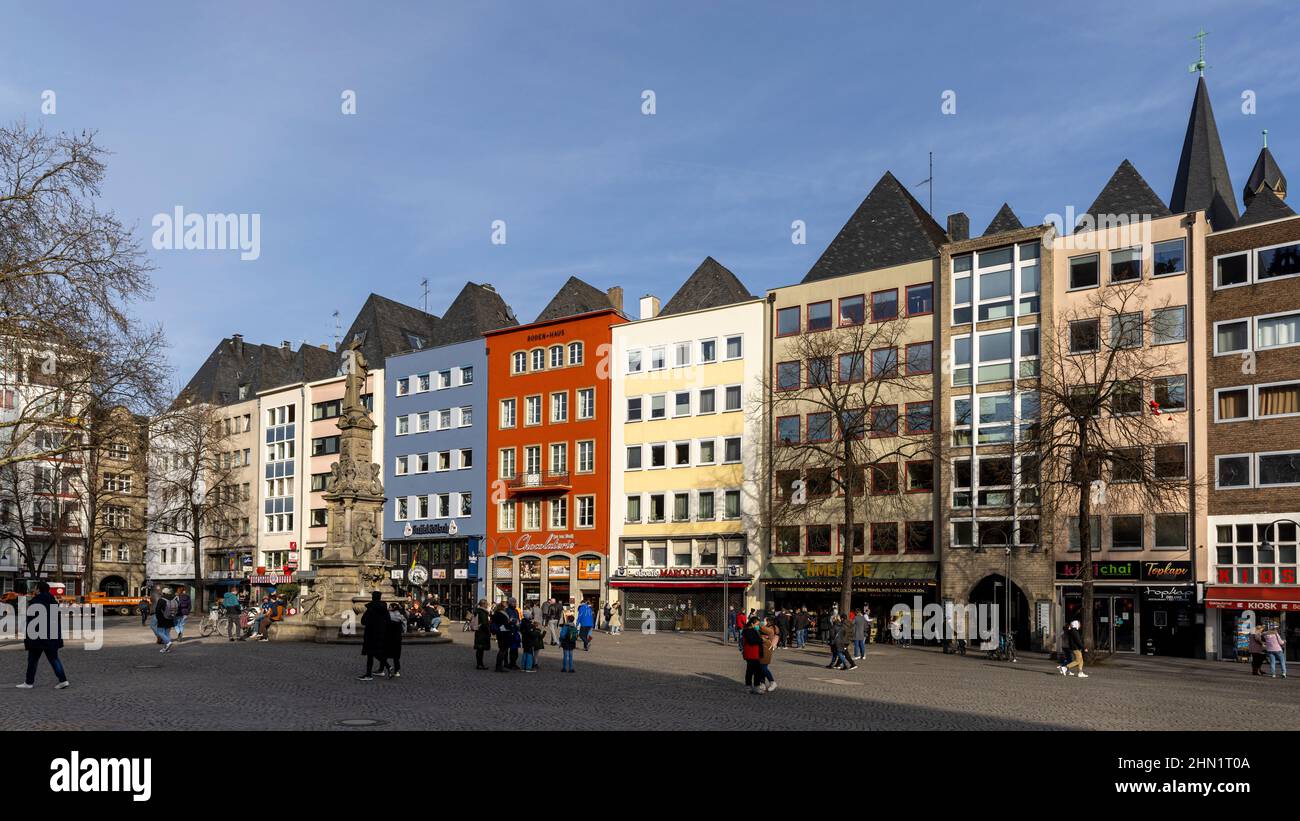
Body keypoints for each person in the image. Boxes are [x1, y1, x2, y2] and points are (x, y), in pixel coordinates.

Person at [16, 582, 69, 690]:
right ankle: (63, 680)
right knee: (54, 659)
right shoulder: (53, 602)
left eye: (35, 588)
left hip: (38, 637)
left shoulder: (35, 602)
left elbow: (31, 622)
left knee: (32, 660)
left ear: (39, 590)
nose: (34, 590)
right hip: (51, 636)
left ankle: (29, 682)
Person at [358, 592, 388, 681]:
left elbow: (363, 621)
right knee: (380, 651)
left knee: (370, 654)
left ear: (372, 597)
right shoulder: (384, 608)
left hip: (371, 633)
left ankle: (368, 674)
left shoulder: (370, 608)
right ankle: (382, 669)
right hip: (382, 633)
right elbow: (388, 620)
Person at [741, 616, 764, 693]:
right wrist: (760, 640)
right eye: (757, 624)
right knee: (751, 671)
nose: (758, 626)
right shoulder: (747, 631)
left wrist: (760, 639)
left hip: (755, 653)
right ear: (752, 624)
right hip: (750, 653)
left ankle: (754, 686)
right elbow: (752, 641)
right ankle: (750, 687)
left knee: (756, 670)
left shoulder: (753, 630)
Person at [382, 603, 405, 679]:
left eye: (390, 607)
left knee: (384, 654)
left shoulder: (387, 616)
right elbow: (404, 626)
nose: (388, 608)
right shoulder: (400, 616)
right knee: (396, 656)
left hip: (389, 638)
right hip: (397, 638)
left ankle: (384, 668)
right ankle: (397, 671)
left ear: (392, 608)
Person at [491, 602, 513, 673]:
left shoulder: (497, 613)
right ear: (503, 607)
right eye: (505, 606)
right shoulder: (501, 614)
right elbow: (504, 624)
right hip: (503, 633)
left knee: (503, 649)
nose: (506, 607)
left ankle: (500, 666)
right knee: (503, 650)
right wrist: (510, 622)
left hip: (501, 633)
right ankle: (498, 666)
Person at [759, 615, 778, 692]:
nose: (763, 622)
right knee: (761, 667)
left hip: (766, 650)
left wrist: (759, 624)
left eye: (764, 620)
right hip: (762, 649)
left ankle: (772, 682)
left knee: (763, 667)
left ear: (768, 621)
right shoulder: (768, 628)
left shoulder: (771, 629)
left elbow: (764, 630)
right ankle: (762, 684)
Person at [471, 599, 492, 670]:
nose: (487, 605)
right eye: (486, 604)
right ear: (483, 604)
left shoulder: (478, 611)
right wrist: (488, 632)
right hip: (482, 632)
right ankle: (480, 664)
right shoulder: (482, 612)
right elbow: (484, 623)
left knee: (479, 649)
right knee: (480, 649)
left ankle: (479, 664)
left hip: (478, 632)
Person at [505, 598, 522, 669]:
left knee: (515, 649)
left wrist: (518, 623)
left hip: (515, 631)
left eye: (515, 602)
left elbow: (518, 619)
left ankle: (513, 663)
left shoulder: (516, 611)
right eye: (513, 602)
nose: (515, 604)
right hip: (508, 632)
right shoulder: (506, 610)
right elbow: (507, 620)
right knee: (506, 649)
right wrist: (513, 621)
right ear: (509, 603)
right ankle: (506, 663)